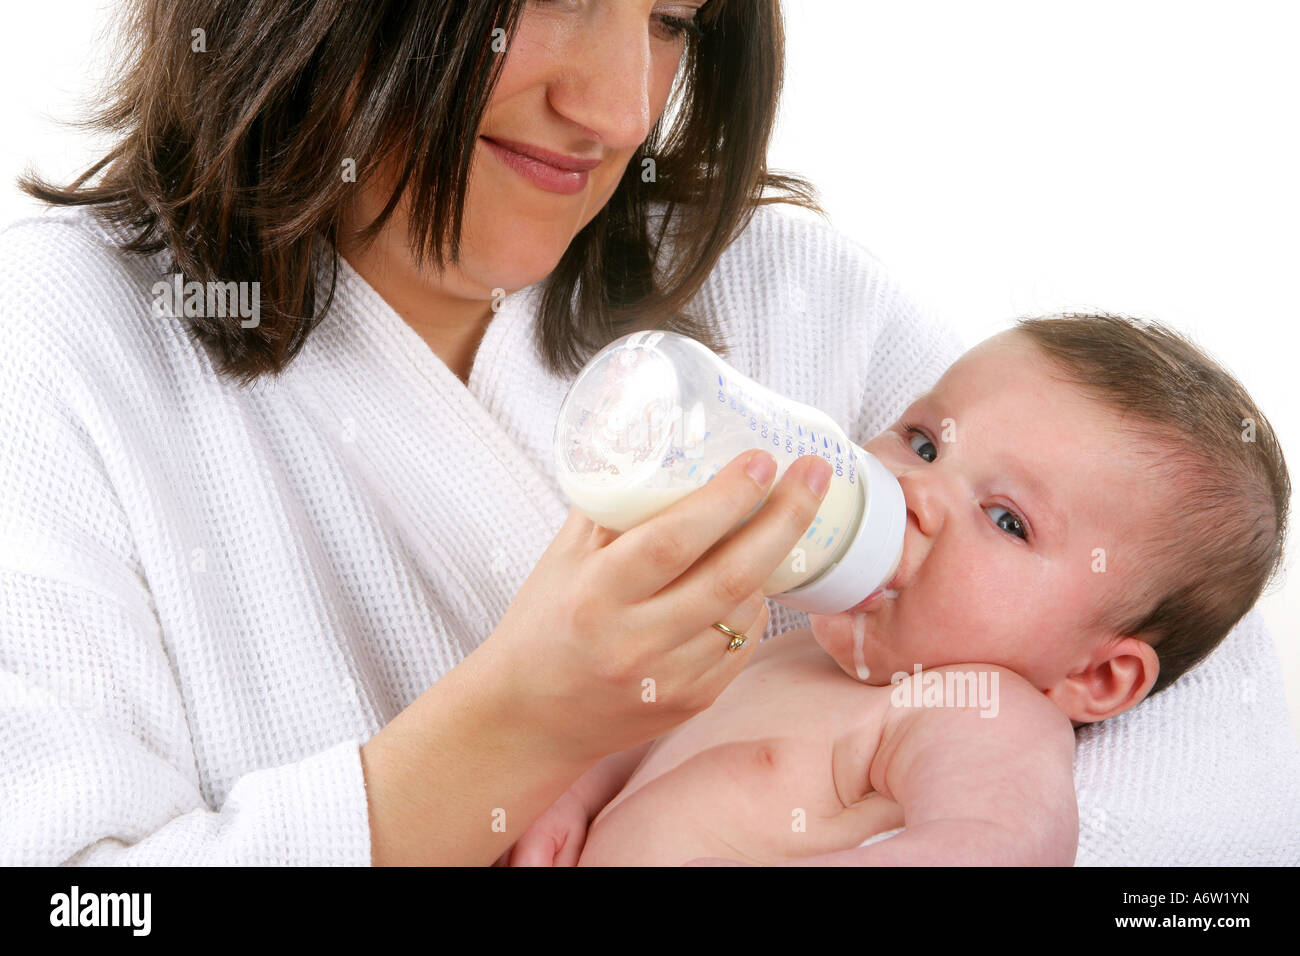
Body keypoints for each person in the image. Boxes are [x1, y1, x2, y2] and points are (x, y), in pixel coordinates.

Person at [0, 0, 962, 865]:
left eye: (672, 19)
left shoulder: (791, 294)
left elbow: (1106, 647)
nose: (623, 111)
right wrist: (518, 729)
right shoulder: (52, 344)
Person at [498, 316, 1289, 865]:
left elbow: (999, 849)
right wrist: (573, 792)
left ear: (1096, 677)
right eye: (923, 442)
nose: (918, 491)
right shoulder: (785, 641)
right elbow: (642, 732)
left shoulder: (978, 711)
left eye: (1008, 520)